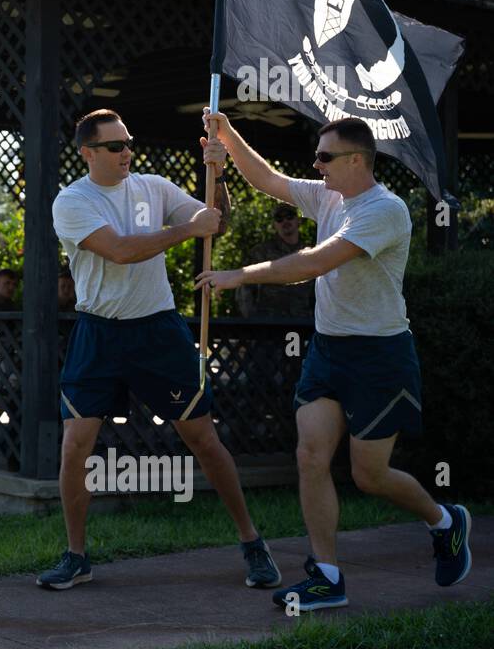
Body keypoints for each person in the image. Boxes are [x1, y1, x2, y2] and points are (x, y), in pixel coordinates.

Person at [196, 113, 472, 610]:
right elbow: (269, 180)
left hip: (379, 356)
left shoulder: (385, 212)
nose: (316, 165)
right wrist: (226, 135)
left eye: (325, 157)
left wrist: (240, 275)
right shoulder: (327, 194)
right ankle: (326, 577)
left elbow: (315, 262)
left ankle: (445, 520)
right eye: (317, 156)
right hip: (328, 350)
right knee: (310, 456)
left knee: (369, 475)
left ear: (357, 160)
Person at [38, 108, 281, 592]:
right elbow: (123, 250)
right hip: (99, 333)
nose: (127, 152)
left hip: (157, 330)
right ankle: (76, 556)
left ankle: (253, 543)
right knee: (74, 446)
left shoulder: (154, 186)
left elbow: (214, 223)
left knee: (204, 441)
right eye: (115, 146)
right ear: (88, 153)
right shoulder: (72, 201)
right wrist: (187, 230)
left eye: (128, 142)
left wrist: (219, 175)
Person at [236, 204, 314, 318]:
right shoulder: (260, 253)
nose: (285, 221)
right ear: (274, 225)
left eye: (289, 216)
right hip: (269, 324)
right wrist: (252, 321)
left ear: (298, 220)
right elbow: (244, 286)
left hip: (303, 322)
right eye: (279, 218)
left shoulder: (311, 254)